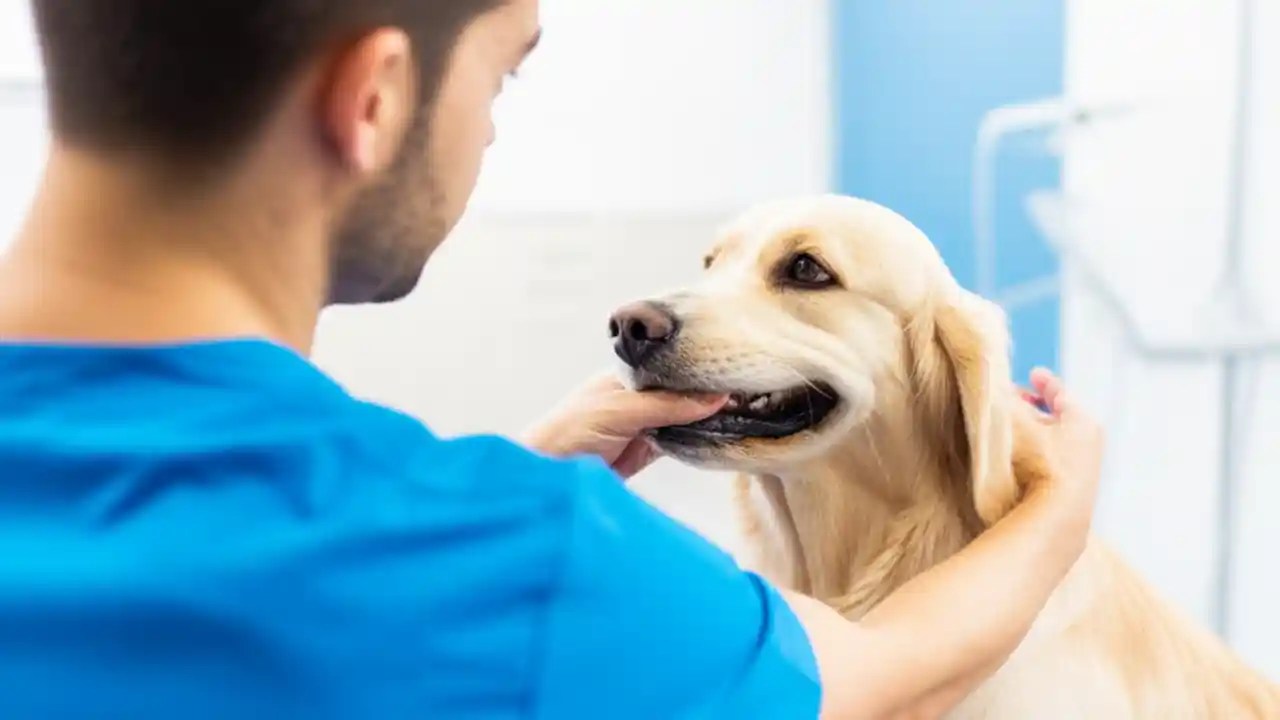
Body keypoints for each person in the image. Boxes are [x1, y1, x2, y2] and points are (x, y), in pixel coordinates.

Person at [0, 1, 1104, 718]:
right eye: (501, 80)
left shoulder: (473, 549)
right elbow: (881, 686)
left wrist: (501, 490)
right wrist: (1058, 504)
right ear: (373, 99)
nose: (485, 132)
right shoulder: (528, 563)